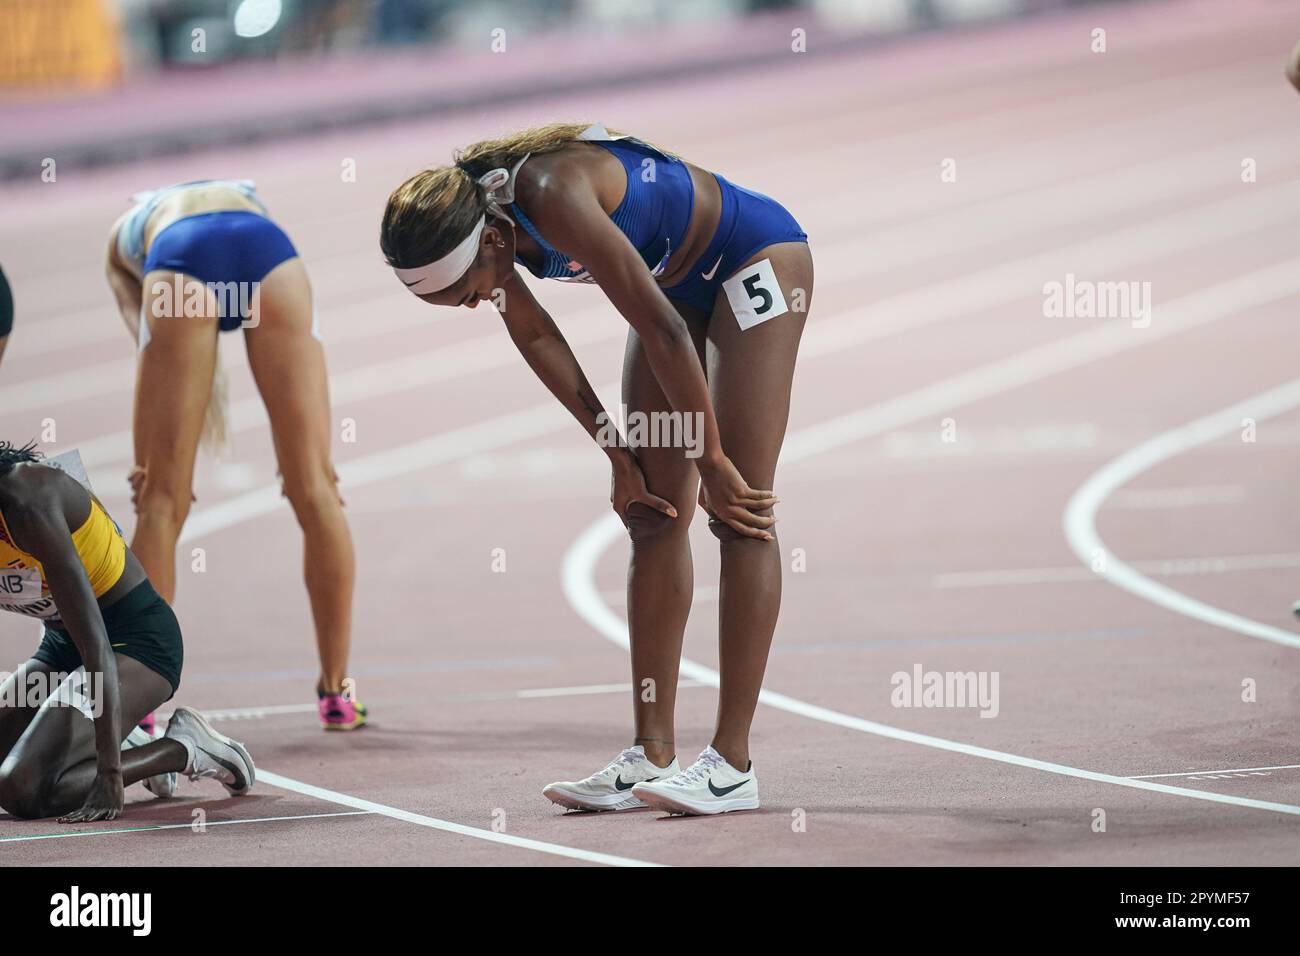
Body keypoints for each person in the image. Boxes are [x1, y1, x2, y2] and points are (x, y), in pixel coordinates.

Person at [381, 122, 812, 815]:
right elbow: (539, 335)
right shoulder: (488, 236)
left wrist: (713, 462)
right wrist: (616, 453)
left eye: (466, 293)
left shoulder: (549, 193)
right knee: (653, 514)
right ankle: (652, 754)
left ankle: (732, 765)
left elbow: (667, 335)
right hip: (674, 289)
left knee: (738, 509)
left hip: (749, 258)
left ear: (492, 242)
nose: (473, 305)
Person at [105, 180, 365, 730]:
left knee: (159, 501)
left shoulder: (123, 241)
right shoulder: (246, 202)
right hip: (268, 254)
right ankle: (336, 692)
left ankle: (141, 705)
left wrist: (152, 452)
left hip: (179, 264)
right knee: (317, 487)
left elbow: (145, 341)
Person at [0, 442, 254, 821]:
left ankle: (183, 748)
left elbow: (94, 640)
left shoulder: (28, 503)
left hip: (132, 643)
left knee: (21, 789)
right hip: (62, 648)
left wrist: (110, 771)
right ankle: (111, 733)